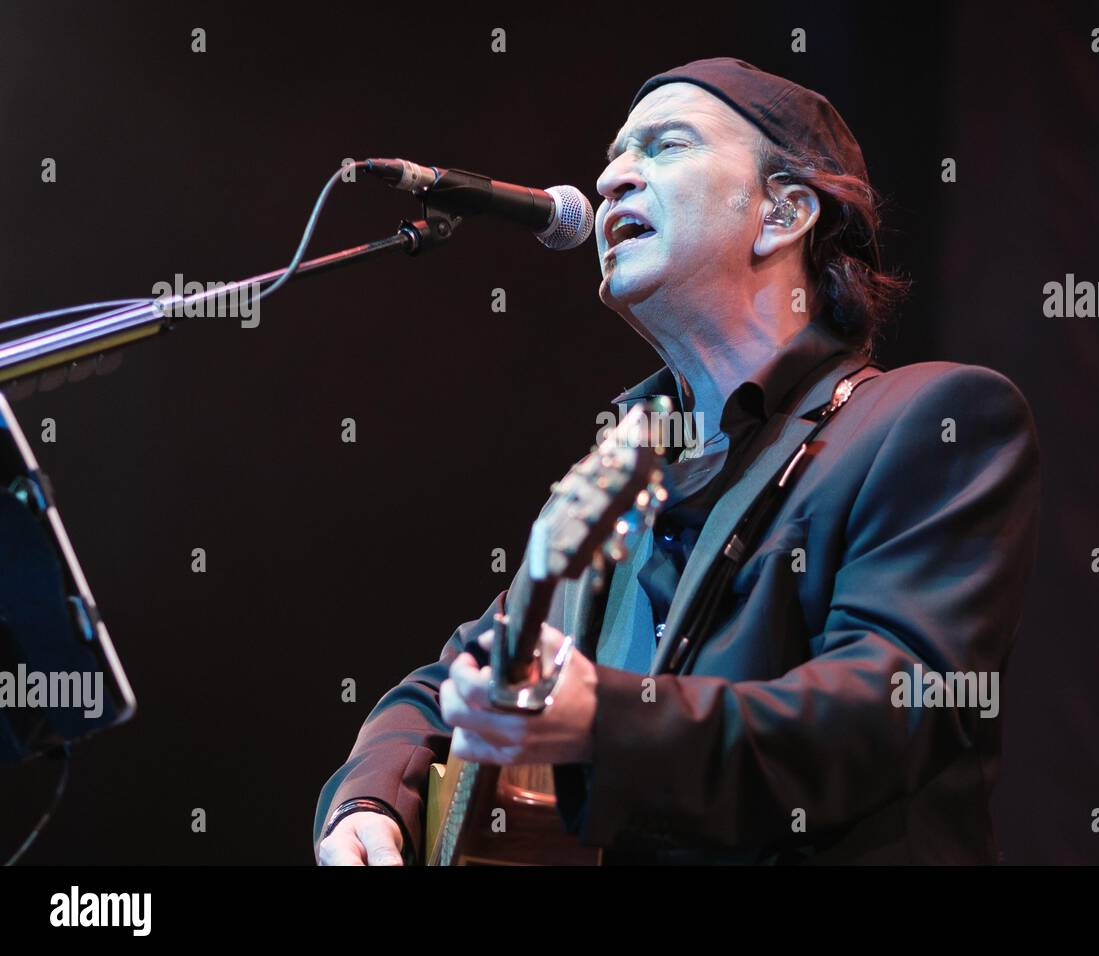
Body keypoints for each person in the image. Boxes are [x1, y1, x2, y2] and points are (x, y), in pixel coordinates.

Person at [314, 57, 1041, 865]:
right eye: (614, 155)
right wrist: (370, 799)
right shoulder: (620, 472)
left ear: (784, 212)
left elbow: (886, 710)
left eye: (664, 147)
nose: (610, 179)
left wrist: (606, 722)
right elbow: (444, 686)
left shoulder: (927, 422)